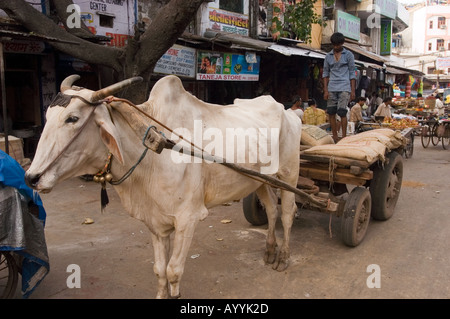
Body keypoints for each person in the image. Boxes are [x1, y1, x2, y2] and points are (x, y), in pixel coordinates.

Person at [323, 32, 356, 142]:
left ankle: (344, 136)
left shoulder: (349, 55)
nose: (336, 47)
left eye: (338, 45)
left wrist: (352, 91)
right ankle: (335, 136)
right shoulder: (328, 56)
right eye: (334, 45)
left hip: (344, 87)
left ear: (342, 43)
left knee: (342, 112)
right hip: (332, 87)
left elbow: (352, 73)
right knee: (331, 112)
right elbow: (325, 74)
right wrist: (325, 90)